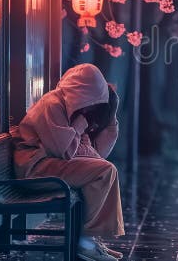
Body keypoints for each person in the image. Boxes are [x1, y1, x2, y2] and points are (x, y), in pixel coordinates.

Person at [12, 63, 125, 261]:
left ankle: (90, 239)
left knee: (105, 171)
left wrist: (110, 120)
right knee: (104, 171)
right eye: (92, 100)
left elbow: (92, 154)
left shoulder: (67, 108)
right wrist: (79, 127)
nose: (91, 107)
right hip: (35, 168)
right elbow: (63, 151)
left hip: (47, 164)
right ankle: (86, 241)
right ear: (81, 92)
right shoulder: (52, 104)